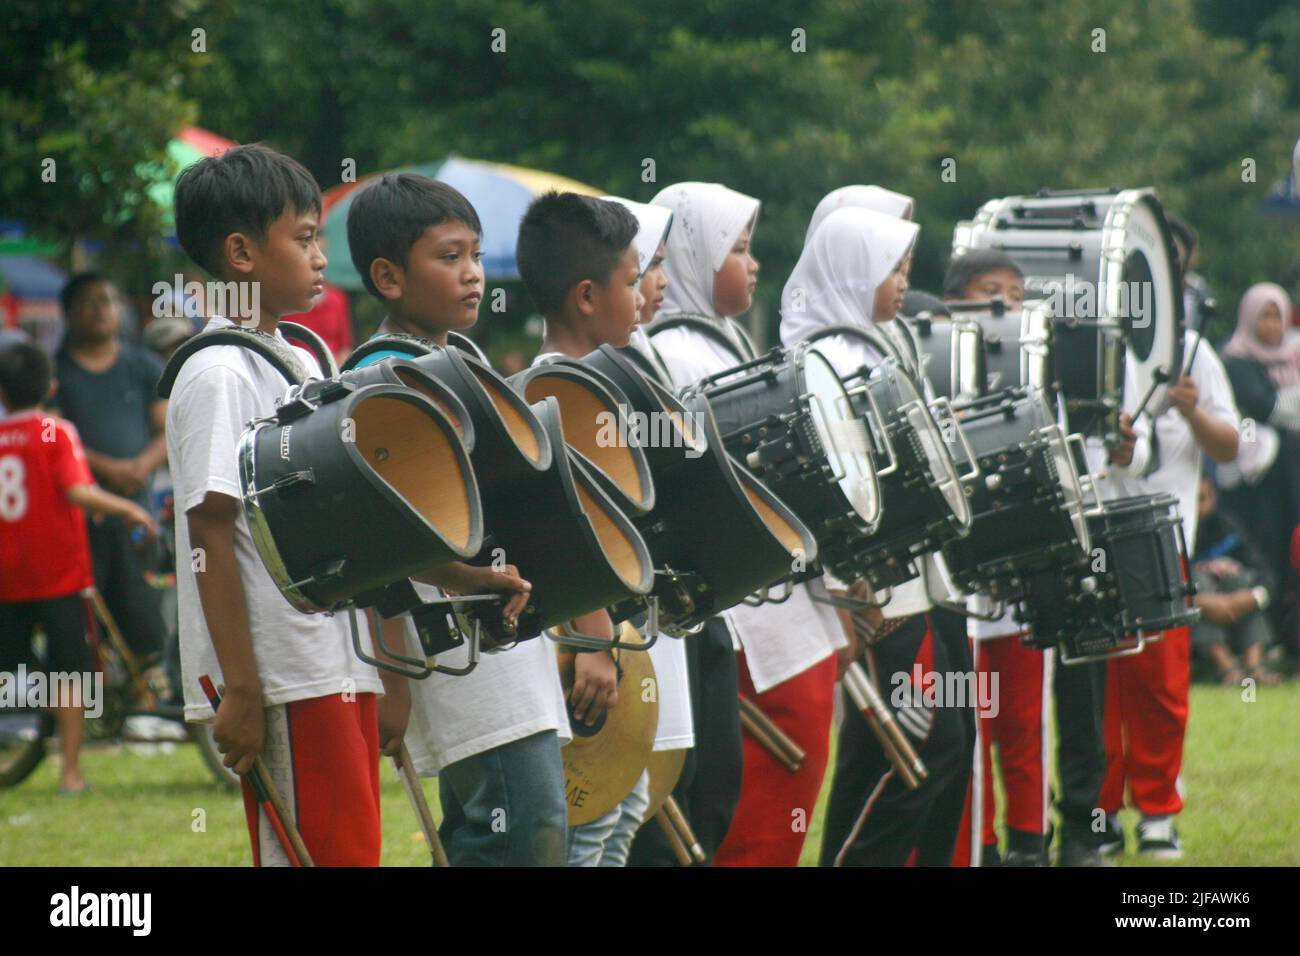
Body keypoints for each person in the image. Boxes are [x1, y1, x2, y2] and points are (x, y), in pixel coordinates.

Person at [168, 144, 390, 866]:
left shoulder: (302, 359)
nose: (322, 257)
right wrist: (241, 687)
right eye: (304, 238)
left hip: (336, 657)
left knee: (352, 850)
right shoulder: (217, 373)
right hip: (284, 673)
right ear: (241, 254)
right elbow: (208, 528)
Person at [345, 172, 562, 866]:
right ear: (388, 276)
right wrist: (396, 677)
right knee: (512, 832)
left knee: (532, 827)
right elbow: (377, 540)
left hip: (499, 634)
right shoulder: (379, 381)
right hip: (453, 648)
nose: (472, 275)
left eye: (476, 255)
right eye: (450, 257)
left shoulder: (455, 359)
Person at [637, 181, 850, 867]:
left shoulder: (723, 342)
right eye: (739, 248)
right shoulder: (673, 356)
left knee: (791, 787)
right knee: (757, 807)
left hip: (785, 619)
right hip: (751, 627)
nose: (754, 264)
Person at [781, 204, 971, 867]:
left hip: (906, 590)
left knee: (894, 755)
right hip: (879, 601)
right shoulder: (831, 358)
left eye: (907, 269)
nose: (902, 282)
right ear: (853, 271)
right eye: (892, 268)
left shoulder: (871, 345)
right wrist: (847, 598)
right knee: (922, 749)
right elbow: (827, 487)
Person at [517, 190, 689, 866]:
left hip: (619, 646)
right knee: (589, 835)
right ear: (587, 296)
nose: (642, 294)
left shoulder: (607, 380)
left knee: (615, 828)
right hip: (586, 654)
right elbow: (561, 529)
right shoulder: (554, 394)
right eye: (630, 278)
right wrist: (592, 641)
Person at [1099, 310, 1240, 861]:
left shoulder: (1192, 350)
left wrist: (1192, 410)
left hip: (1162, 536)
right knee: (1098, 686)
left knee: (1158, 685)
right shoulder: (1091, 336)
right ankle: (1100, 813)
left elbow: (1230, 446)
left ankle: (1158, 813)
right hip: (1090, 527)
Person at [935, 251, 1053, 867]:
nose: (1006, 305)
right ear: (953, 303)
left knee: (1024, 718)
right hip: (959, 580)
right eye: (990, 292)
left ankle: (1030, 841)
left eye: (1016, 292)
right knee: (970, 721)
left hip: (1015, 575)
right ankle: (977, 842)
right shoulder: (929, 365)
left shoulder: (1031, 371)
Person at [0, 341, 156, 792]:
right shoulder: (54, 431)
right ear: (50, 386)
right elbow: (78, 492)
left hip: (8, 578)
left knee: (15, 667)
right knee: (69, 673)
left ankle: (36, 714)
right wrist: (128, 509)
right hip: (59, 575)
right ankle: (70, 771)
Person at [53, 274, 169, 678]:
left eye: (108, 300)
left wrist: (140, 466)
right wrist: (110, 468)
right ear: (68, 313)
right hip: (78, 516)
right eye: (89, 301)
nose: (101, 309)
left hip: (136, 510)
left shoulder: (142, 365)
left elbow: (166, 429)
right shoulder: (56, 373)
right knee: (87, 610)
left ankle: (143, 697)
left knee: (138, 602)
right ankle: (98, 698)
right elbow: (50, 436)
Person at [1219, 282, 1300, 665]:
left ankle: (1285, 641)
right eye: (1264, 316)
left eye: (1276, 316)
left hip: (1290, 482)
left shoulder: (1292, 356)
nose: (1271, 325)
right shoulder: (1236, 361)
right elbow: (1262, 406)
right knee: (1262, 556)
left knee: (1289, 556)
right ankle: (1256, 647)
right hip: (1255, 482)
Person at [1189, 473, 1278, 685]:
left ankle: (1253, 665)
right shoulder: (1177, 535)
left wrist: (1249, 598)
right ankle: (1226, 667)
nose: (1198, 508)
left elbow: (1264, 573)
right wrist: (1206, 602)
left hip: (1234, 603)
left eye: (1202, 499)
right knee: (1197, 581)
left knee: (1243, 579)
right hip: (1200, 605)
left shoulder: (1227, 527)